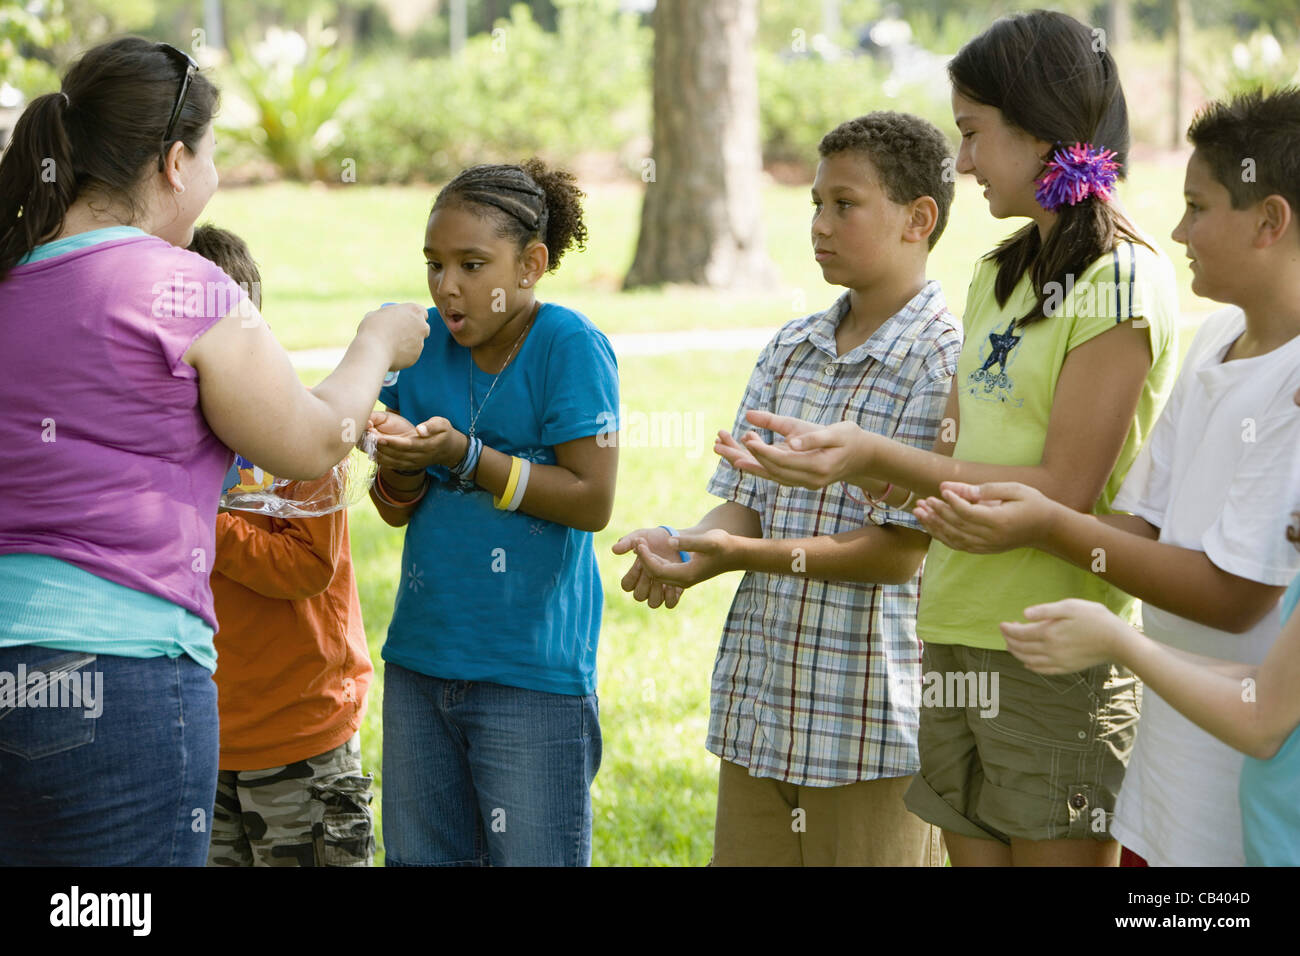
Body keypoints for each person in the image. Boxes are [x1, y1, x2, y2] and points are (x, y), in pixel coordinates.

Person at [713, 10, 1181, 866]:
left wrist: (871, 456)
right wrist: (837, 467)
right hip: (954, 634)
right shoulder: (996, 273)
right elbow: (957, 469)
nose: (962, 160)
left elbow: (1062, 491)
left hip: (1053, 648)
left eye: (973, 133)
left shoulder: (1122, 280)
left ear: (1042, 132)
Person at [0, 37, 427, 866]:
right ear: (173, 162)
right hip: (125, 679)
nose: (215, 177)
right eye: (212, 155)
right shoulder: (181, 285)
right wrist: (375, 344)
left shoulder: (11, 280)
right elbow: (309, 443)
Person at [907, 88, 1300, 866]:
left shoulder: (1290, 387)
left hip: (1247, 804)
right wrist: (1017, 513)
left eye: (1197, 206)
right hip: (1167, 785)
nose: (1179, 230)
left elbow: (1231, 597)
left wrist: (1047, 526)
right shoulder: (1220, 335)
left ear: (1270, 221)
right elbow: (1140, 528)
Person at [613, 113, 960, 866]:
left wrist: (739, 552)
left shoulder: (940, 364)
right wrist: (692, 547)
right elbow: (743, 499)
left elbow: (898, 555)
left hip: (869, 721)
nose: (819, 224)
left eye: (845, 204)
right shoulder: (791, 347)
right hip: (765, 710)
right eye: (814, 204)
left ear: (918, 219)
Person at [364, 160, 618, 866]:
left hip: (528, 674)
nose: (447, 286)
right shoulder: (421, 347)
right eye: (435, 264)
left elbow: (591, 498)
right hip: (421, 658)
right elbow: (396, 511)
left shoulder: (568, 346)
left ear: (532, 264)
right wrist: (401, 466)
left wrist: (468, 457)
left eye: (473, 264)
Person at [184, 224, 376, 867]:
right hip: (204, 735)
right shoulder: (160, 438)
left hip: (301, 733)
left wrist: (199, 521)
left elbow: (305, 566)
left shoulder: (298, 428)